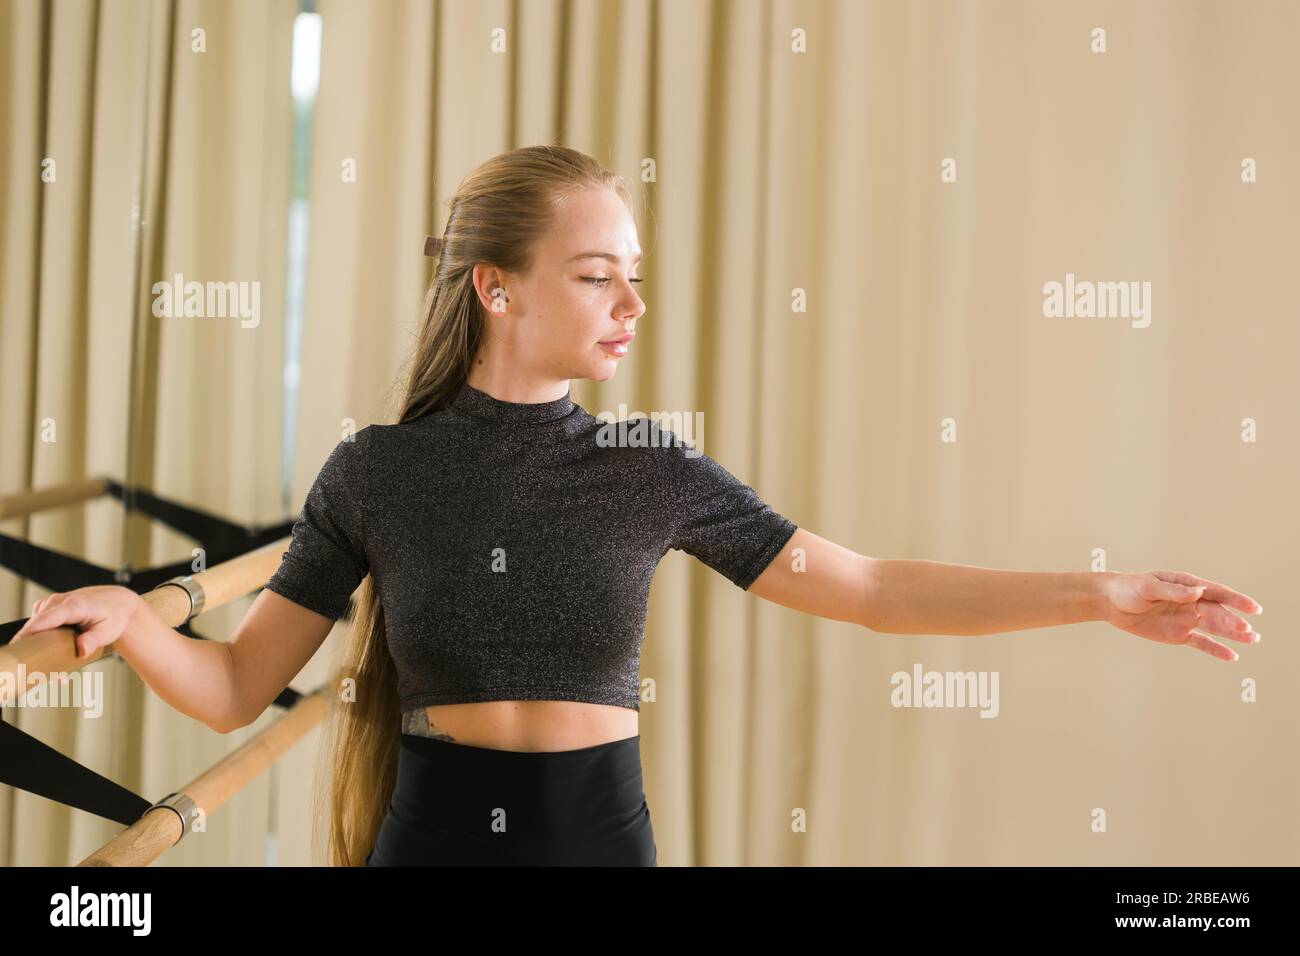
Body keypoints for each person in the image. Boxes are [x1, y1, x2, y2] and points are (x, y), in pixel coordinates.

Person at [11, 145, 1263, 867]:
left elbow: (872, 589)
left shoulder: (652, 466)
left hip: (597, 839)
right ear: (495, 288)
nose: (630, 304)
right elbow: (236, 685)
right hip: (430, 839)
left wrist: (1101, 594)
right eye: (597, 274)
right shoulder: (374, 470)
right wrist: (132, 621)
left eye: (635, 277)